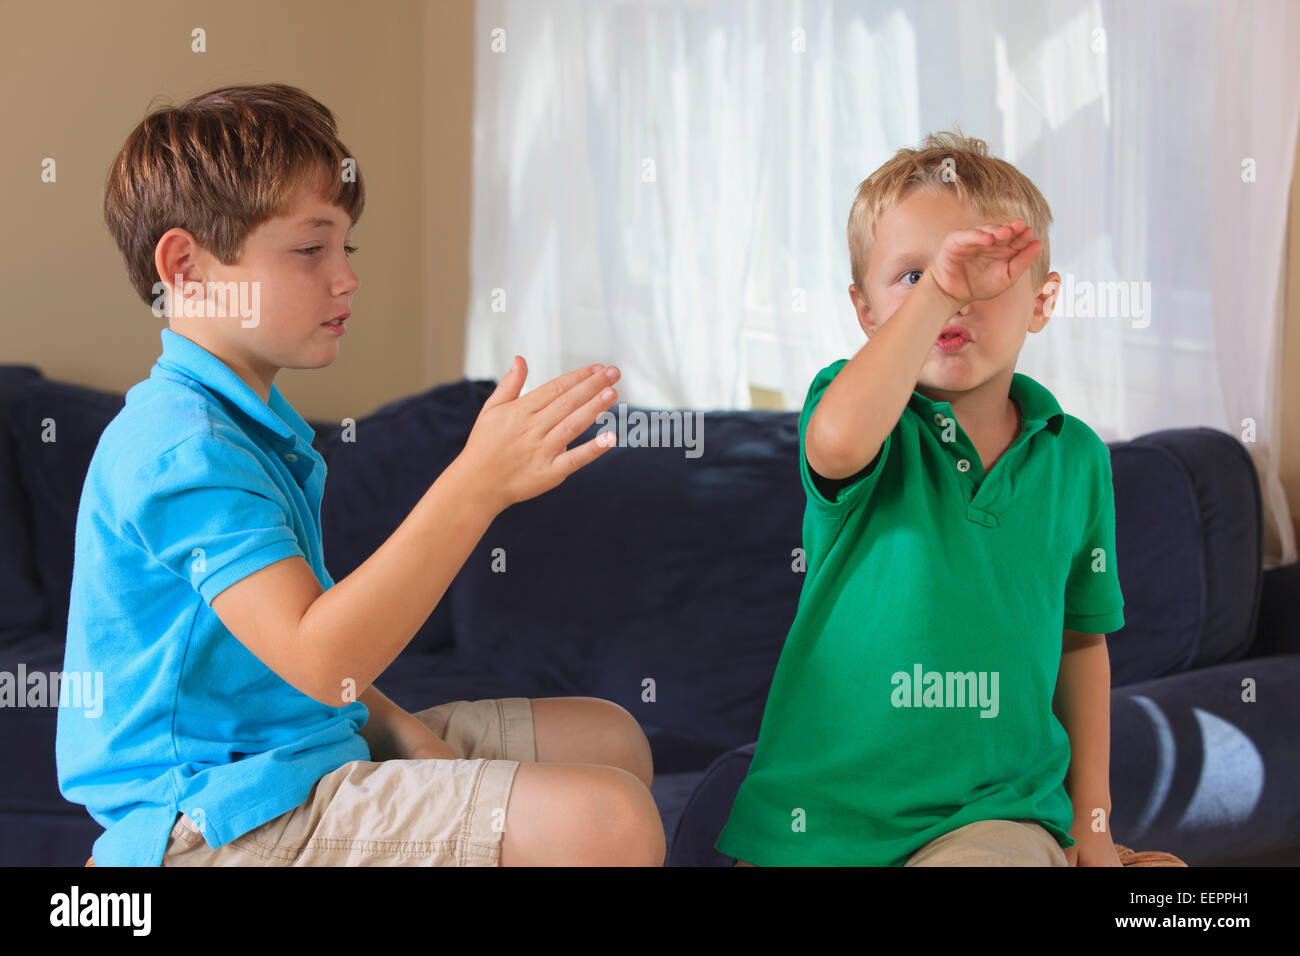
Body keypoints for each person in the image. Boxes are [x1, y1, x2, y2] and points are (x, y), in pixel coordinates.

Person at [57, 83, 664, 867]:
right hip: (216, 823)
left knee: (610, 738)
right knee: (607, 822)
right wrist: (474, 486)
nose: (345, 278)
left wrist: (411, 740)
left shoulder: (248, 428)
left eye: (348, 248)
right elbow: (321, 656)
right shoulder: (181, 450)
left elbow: (289, 665)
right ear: (187, 266)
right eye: (311, 250)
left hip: (304, 751)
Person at [717, 131, 1126, 867]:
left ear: (1043, 300)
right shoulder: (852, 413)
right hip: (812, 823)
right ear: (865, 312)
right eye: (915, 276)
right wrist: (937, 294)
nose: (954, 291)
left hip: (993, 814)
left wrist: (1092, 827)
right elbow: (838, 442)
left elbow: (1082, 642)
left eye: (985, 271)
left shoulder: (1076, 458)